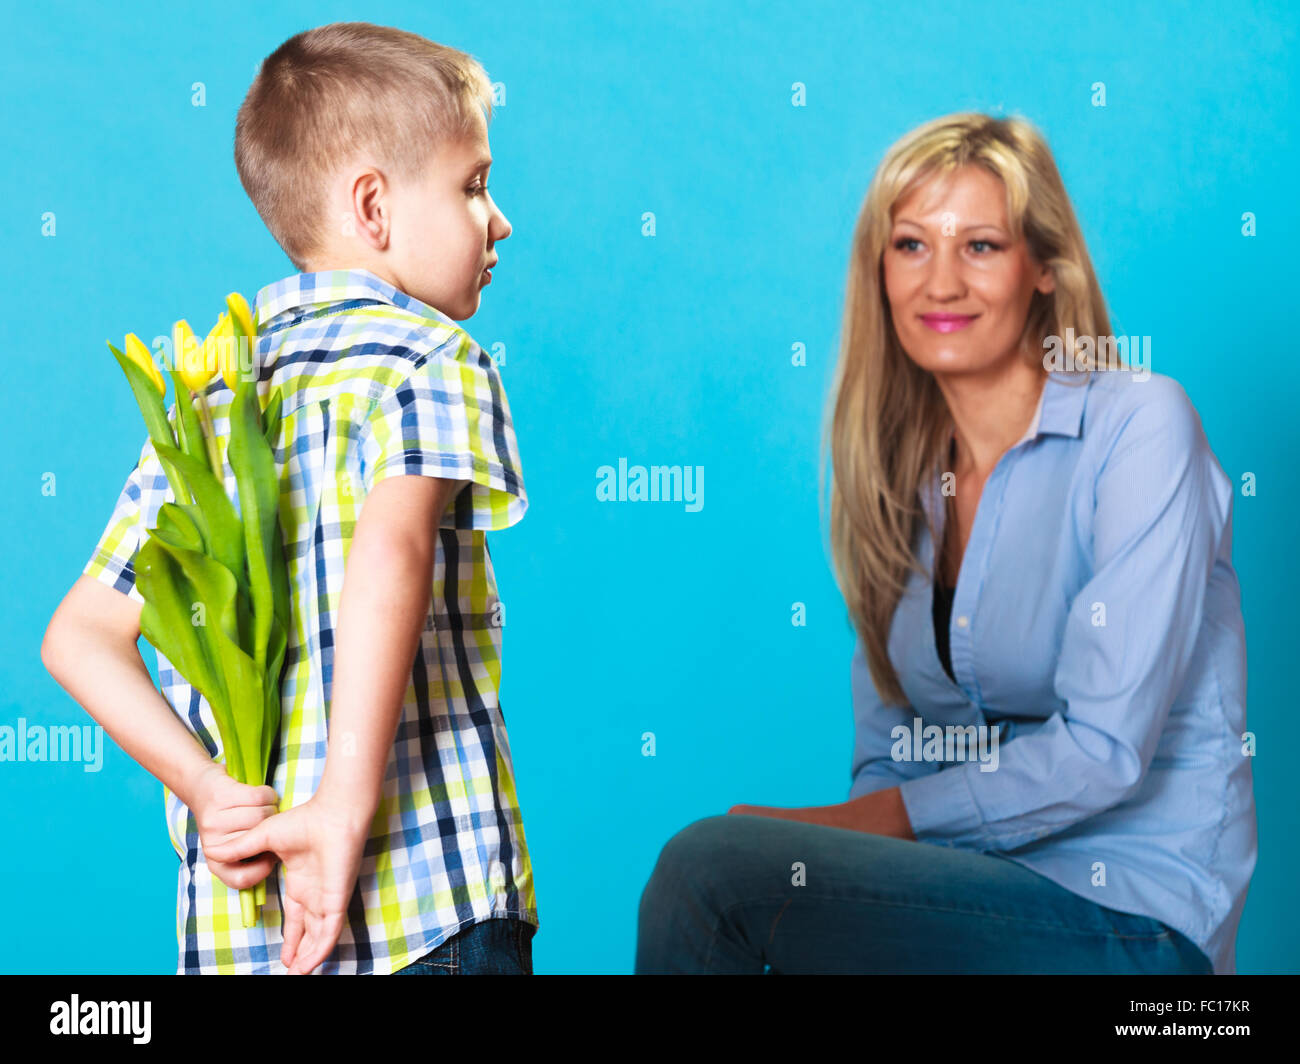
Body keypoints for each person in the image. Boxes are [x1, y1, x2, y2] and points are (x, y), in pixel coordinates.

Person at [635, 112, 1256, 975]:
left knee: (713, 872)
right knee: (760, 897)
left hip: (1135, 928)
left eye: (982, 246)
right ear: (879, 272)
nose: (942, 283)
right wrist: (837, 866)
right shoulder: (903, 484)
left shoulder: (1140, 427)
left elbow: (1102, 753)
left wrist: (828, 834)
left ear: (1043, 268)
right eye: (912, 245)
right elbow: (887, 758)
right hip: (959, 903)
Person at [41, 22, 537, 975]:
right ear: (374, 206)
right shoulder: (429, 357)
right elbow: (390, 555)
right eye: (473, 184)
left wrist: (203, 786)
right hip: (428, 898)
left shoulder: (210, 391)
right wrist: (343, 814)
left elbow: (79, 636)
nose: (498, 217)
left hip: (249, 937)